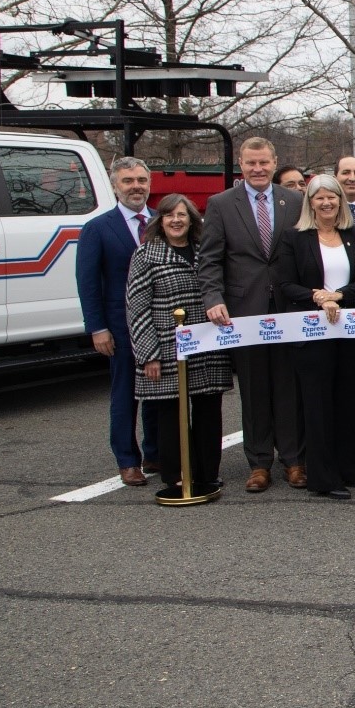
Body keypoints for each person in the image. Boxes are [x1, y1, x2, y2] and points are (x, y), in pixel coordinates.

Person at [199, 136, 305, 492]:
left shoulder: (294, 201)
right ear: (240, 165)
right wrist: (213, 297)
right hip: (245, 313)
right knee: (255, 390)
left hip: (289, 311)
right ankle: (259, 463)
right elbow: (210, 258)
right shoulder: (220, 204)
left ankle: (293, 460)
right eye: (250, 163)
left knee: (289, 387)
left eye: (264, 162)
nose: (257, 169)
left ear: (275, 162)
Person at [273, 175, 355, 500]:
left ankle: (349, 468)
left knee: (347, 400)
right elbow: (285, 284)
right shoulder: (294, 238)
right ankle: (322, 477)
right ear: (310, 202)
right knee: (317, 404)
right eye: (319, 198)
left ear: (340, 201)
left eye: (332, 197)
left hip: (349, 332)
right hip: (312, 332)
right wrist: (319, 297)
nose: (327, 202)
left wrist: (339, 296)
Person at [125, 194, 233, 502]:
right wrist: (148, 354)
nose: (176, 220)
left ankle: (208, 473)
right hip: (167, 348)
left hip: (208, 345)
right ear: (160, 221)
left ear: (192, 220)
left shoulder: (205, 251)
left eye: (182, 215)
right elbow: (137, 307)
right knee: (171, 413)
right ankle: (176, 476)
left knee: (209, 411)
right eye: (170, 215)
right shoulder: (147, 254)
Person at [76, 155, 160, 487]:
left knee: (159, 391)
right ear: (115, 186)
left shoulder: (161, 220)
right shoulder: (97, 228)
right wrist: (97, 327)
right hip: (120, 325)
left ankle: (155, 451)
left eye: (141, 180)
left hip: (160, 324)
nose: (135, 186)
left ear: (149, 184)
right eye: (128, 181)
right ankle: (128, 460)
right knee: (126, 393)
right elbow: (87, 281)